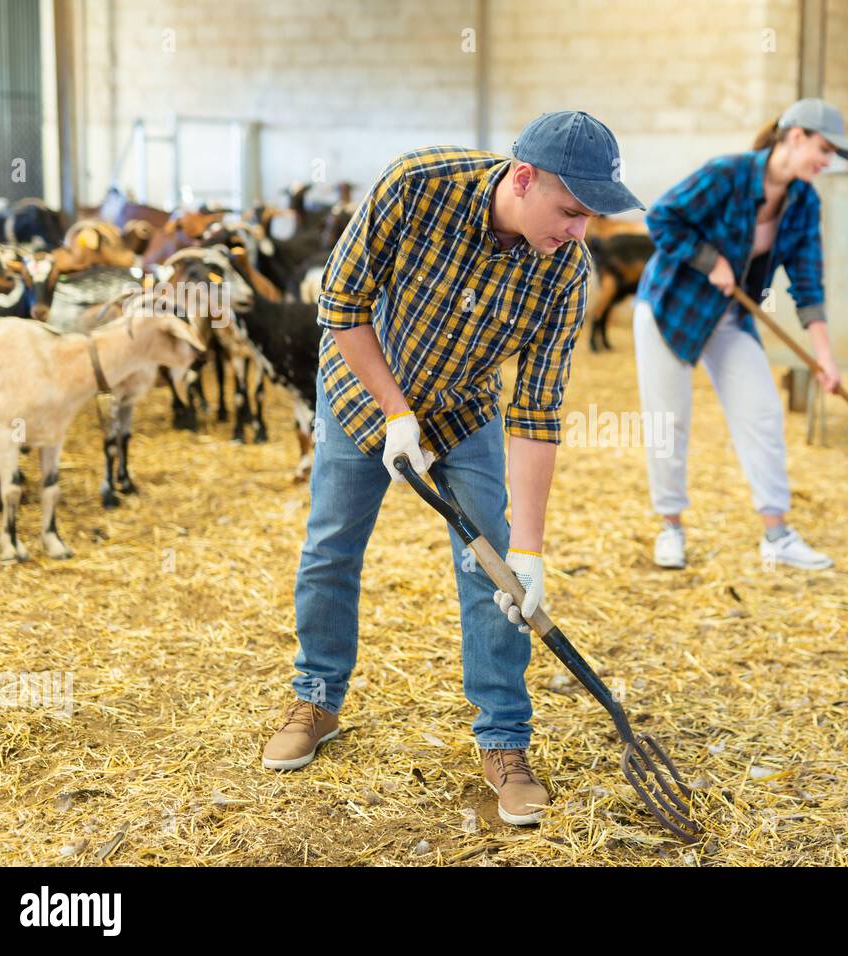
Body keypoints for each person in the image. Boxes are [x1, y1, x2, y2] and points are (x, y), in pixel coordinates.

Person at [262, 112, 643, 829]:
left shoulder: (566, 271)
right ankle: (316, 697)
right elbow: (340, 304)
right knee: (331, 545)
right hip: (360, 387)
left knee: (492, 572)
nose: (577, 232)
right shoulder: (417, 185)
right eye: (568, 211)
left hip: (464, 410)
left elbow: (536, 411)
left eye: (589, 217)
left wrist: (528, 552)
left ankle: (504, 740)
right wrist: (393, 411)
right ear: (522, 178)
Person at [632, 98, 848, 571]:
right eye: (824, 148)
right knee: (668, 421)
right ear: (795, 137)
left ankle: (776, 535)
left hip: (729, 315)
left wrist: (824, 357)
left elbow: (808, 280)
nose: (827, 160)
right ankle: (670, 528)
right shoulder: (727, 174)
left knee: (761, 412)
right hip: (671, 307)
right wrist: (710, 260)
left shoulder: (803, 201)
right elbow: (660, 219)